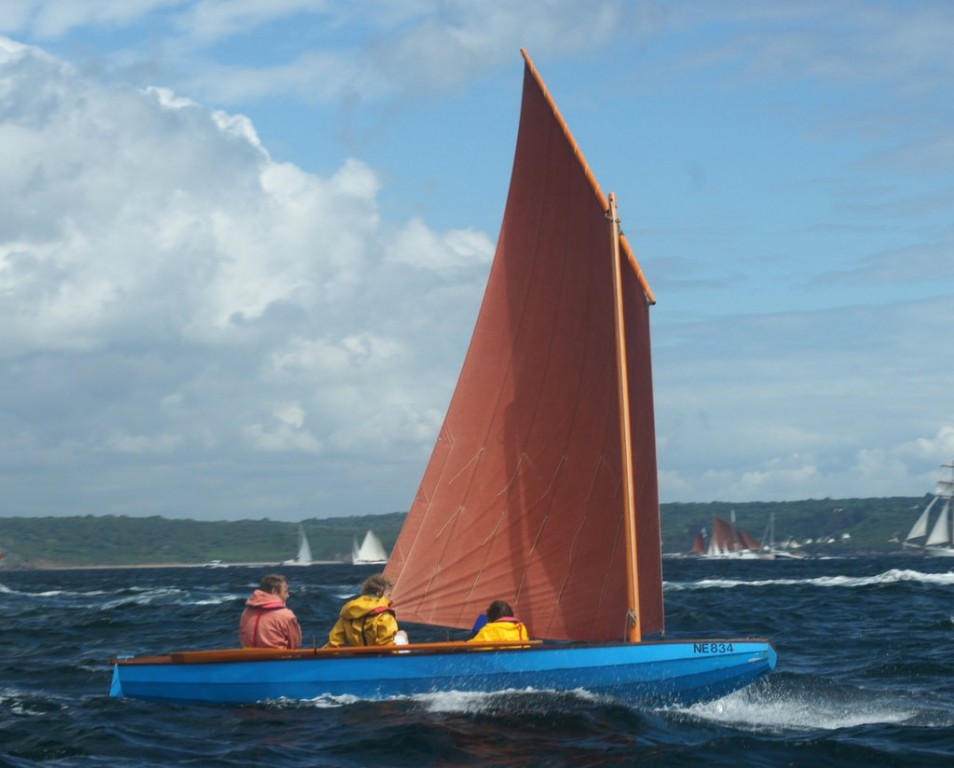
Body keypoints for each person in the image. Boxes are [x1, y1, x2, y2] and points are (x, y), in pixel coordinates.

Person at [327, 574, 402, 647]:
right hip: (381, 656)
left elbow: (334, 642)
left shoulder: (349, 613)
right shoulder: (384, 614)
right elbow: (386, 643)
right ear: (379, 594)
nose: (390, 599)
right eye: (389, 595)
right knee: (402, 634)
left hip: (358, 655)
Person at [239, 573, 302, 649]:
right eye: (285, 592)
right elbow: (295, 645)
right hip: (277, 659)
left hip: (249, 659)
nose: (287, 595)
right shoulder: (286, 615)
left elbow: (242, 638)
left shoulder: (246, 612)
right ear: (274, 592)